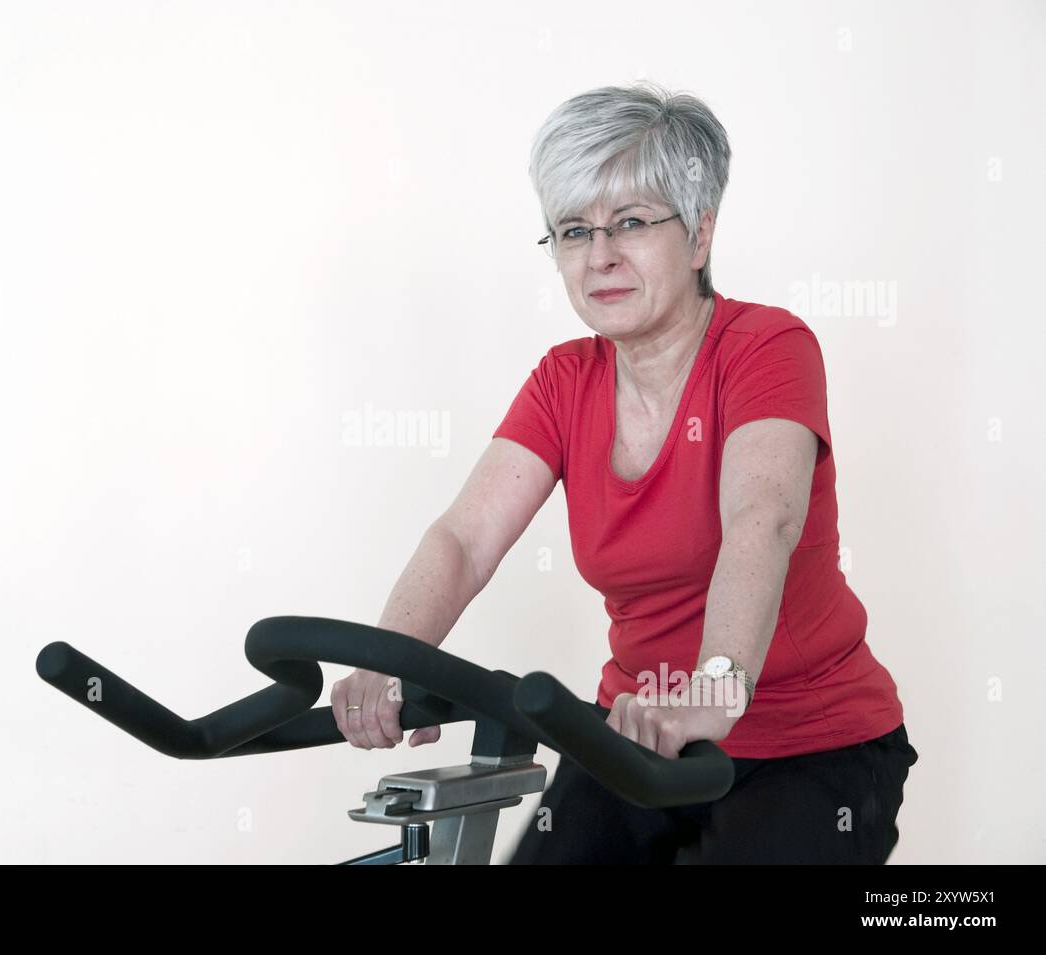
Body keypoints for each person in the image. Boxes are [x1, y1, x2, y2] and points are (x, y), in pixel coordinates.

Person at [330, 81, 917, 864]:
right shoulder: (564, 380)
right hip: (636, 737)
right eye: (574, 231)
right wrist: (387, 658)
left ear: (700, 235)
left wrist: (714, 685)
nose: (600, 255)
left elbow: (763, 517)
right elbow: (466, 539)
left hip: (811, 746)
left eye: (632, 223)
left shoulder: (766, 348)